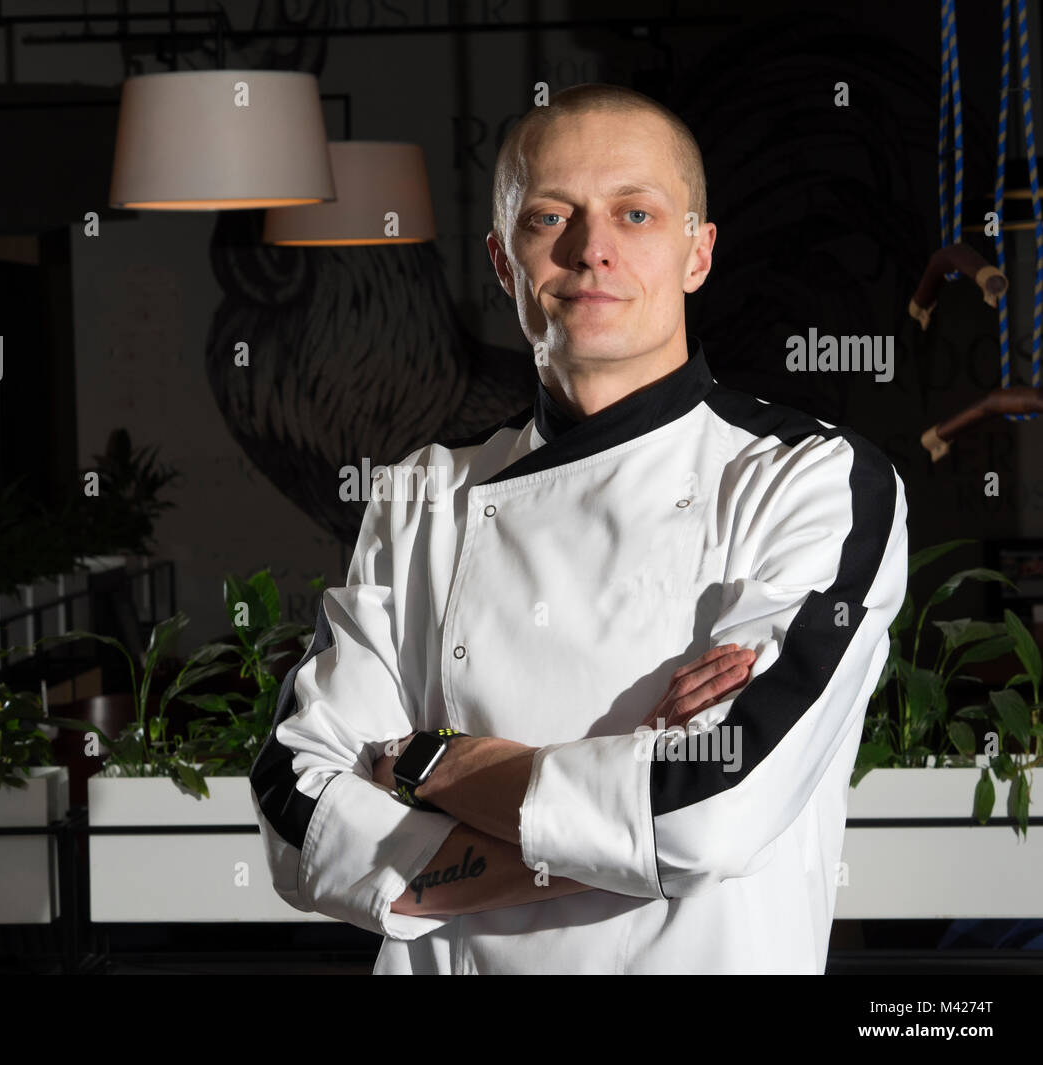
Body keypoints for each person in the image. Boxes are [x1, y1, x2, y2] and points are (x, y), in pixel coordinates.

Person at [249, 83, 909, 974]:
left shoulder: (808, 479)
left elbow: (709, 808)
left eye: (636, 213)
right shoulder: (422, 495)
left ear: (698, 253)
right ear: (502, 261)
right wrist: (618, 826)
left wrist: (430, 761)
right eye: (549, 216)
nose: (592, 249)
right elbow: (296, 808)